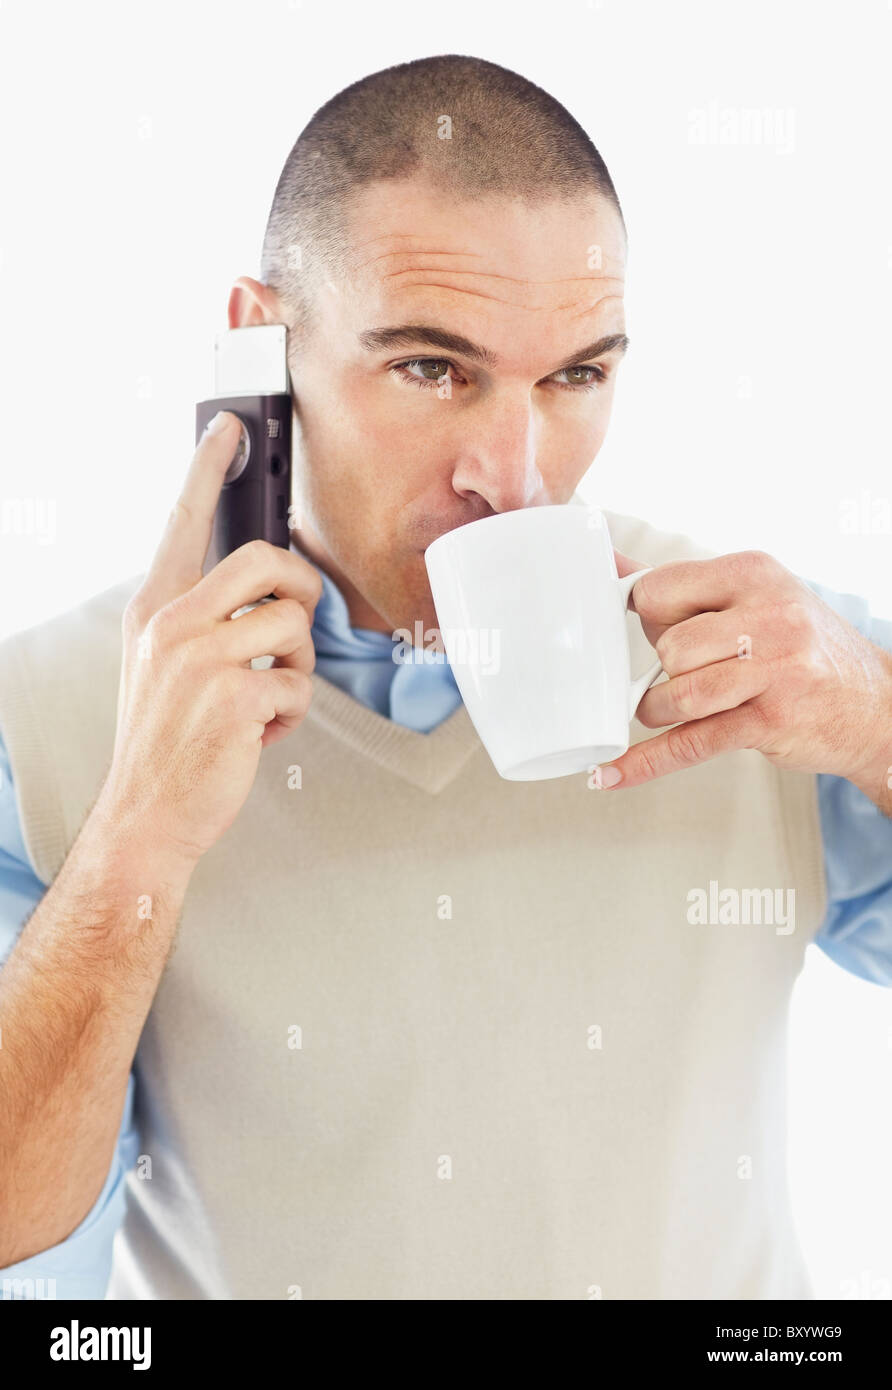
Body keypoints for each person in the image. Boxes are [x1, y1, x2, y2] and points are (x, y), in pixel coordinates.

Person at [0, 53, 890, 1302]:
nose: (514, 476)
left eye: (576, 374)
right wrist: (131, 845)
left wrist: (877, 723)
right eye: (434, 369)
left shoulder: (773, 660)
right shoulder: (43, 720)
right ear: (261, 339)